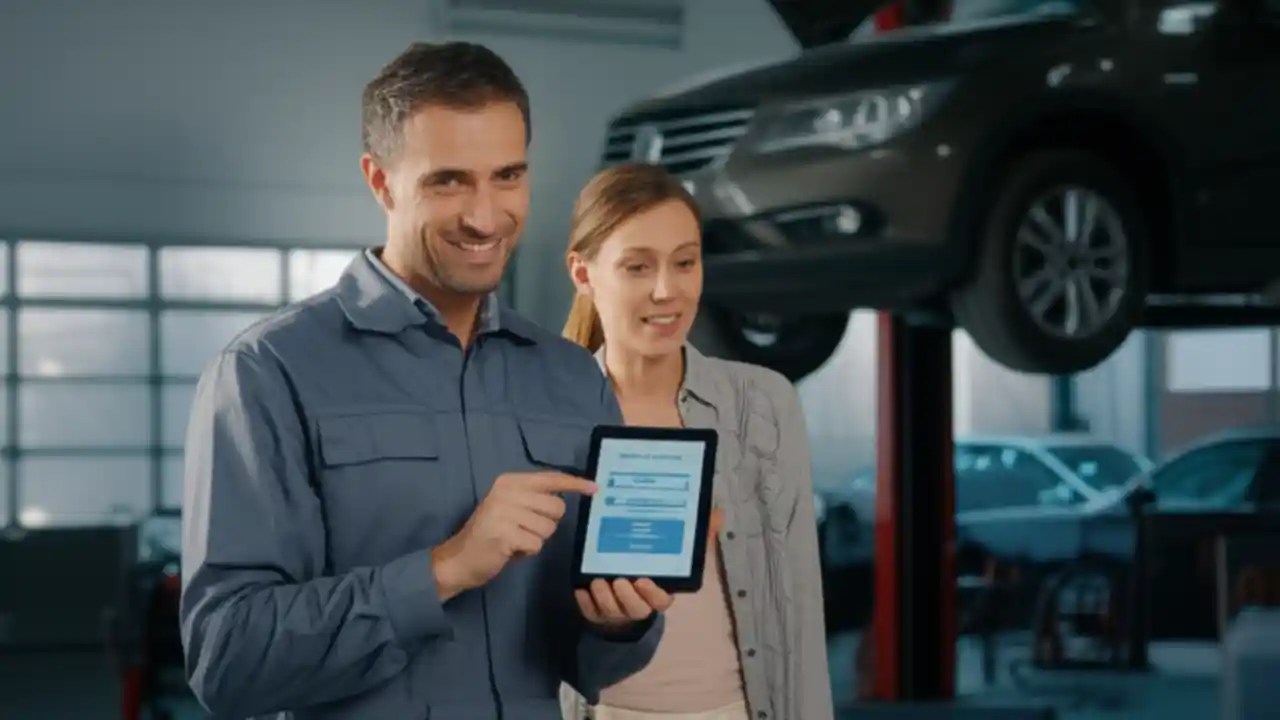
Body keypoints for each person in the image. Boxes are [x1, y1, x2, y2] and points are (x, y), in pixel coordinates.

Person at [179, 42, 672, 720]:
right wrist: (444, 570)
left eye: (507, 176)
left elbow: (587, 665)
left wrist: (621, 620)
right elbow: (227, 660)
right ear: (379, 181)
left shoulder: (570, 379)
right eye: (448, 181)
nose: (485, 216)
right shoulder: (269, 371)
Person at [558, 163, 834, 720]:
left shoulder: (762, 403)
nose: (668, 291)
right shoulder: (544, 412)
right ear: (583, 273)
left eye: (685, 262)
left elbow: (798, 605)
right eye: (637, 267)